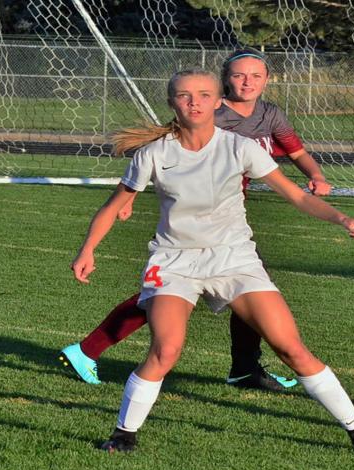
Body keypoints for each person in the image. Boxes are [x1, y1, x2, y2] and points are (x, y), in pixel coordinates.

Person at [72, 68, 354, 457]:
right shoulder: (154, 154)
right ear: (172, 103)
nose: (194, 102)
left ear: (217, 101)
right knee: (166, 351)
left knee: (291, 348)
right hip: (175, 261)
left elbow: (296, 196)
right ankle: (123, 435)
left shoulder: (240, 147)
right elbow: (113, 206)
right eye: (184, 95)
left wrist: (342, 218)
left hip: (235, 258)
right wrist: (87, 249)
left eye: (202, 94)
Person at [58, 50, 331, 393]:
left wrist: (316, 174)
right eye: (238, 75)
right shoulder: (212, 116)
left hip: (227, 223)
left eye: (256, 76)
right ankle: (90, 351)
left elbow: (295, 150)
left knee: (246, 293)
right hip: (194, 225)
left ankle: (244, 368)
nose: (247, 82)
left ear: (267, 81)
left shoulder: (269, 114)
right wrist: (124, 204)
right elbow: (170, 157)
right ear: (224, 83)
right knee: (166, 297)